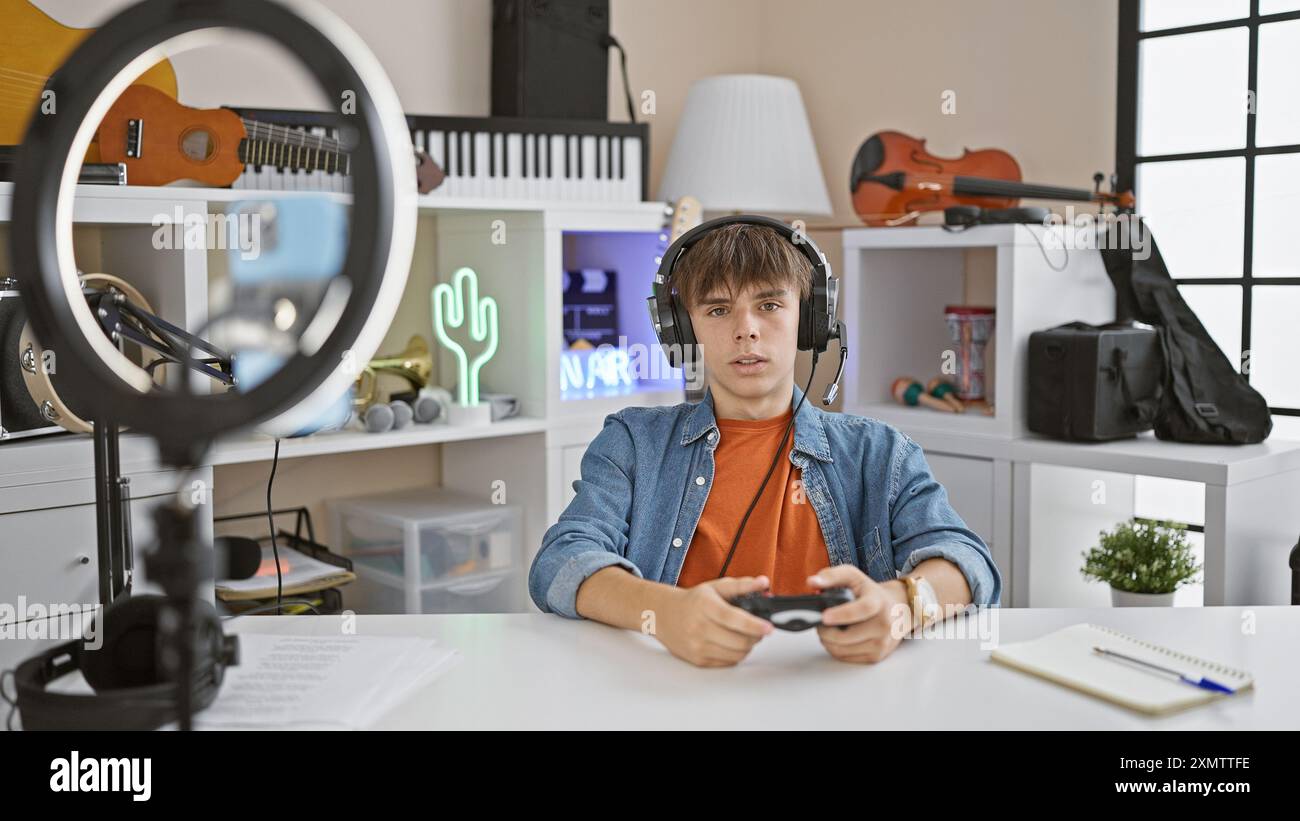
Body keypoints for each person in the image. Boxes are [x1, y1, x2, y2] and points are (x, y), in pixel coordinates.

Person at [529, 221, 1001, 667]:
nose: (746, 330)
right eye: (717, 309)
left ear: (811, 320)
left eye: (770, 305)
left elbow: (967, 563)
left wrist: (899, 605)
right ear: (682, 329)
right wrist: (665, 612)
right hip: (677, 692)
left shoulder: (880, 453)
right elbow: (561, 560)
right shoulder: (633, 442)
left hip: (837, 690)